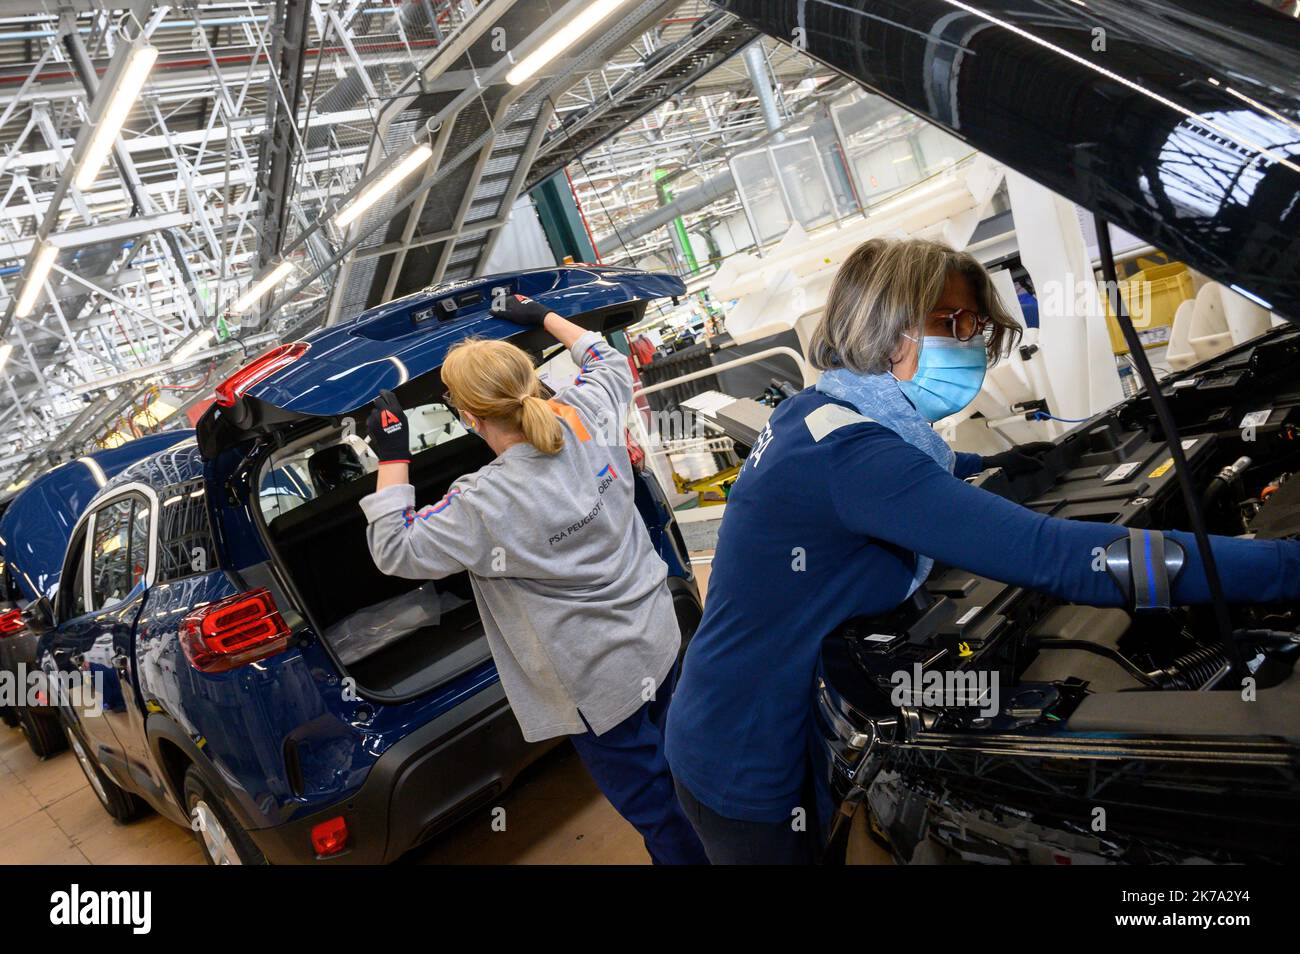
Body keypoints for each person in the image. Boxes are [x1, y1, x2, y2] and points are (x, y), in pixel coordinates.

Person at [663, 237, 1300, 865]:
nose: (969, 341)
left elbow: (913, 468)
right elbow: (1055, 556)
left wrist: (995, 465)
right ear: (888, 325)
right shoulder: (850, 455)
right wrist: (1283, 567)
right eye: (954, 322)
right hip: (743, 755)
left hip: (737, 704)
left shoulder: (817, 410)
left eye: (974, 325)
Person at [359, 293, 708, 865]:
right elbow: (607, 360)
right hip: (658, 638)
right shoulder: (585, 413)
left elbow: (393, 548)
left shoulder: (483, 500)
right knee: (690, 774)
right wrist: (544, 316)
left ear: (468, 417)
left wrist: (392, 455)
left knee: (659, 812)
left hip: (598, 686)